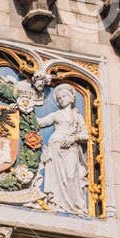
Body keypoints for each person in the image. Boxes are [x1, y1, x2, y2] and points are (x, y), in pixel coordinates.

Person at [40, 84, 89, 215]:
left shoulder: (77, 116)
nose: (61, 99)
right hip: (55, 147)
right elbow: (41, 122)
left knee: (71, 175)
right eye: (59, 98)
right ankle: (56, 203)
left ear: (72, 98)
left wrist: (73, 139)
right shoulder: (56, 115)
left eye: (64, 96)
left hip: (71, 148)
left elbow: (86, 135)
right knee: (55, 176)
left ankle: (74, 205)